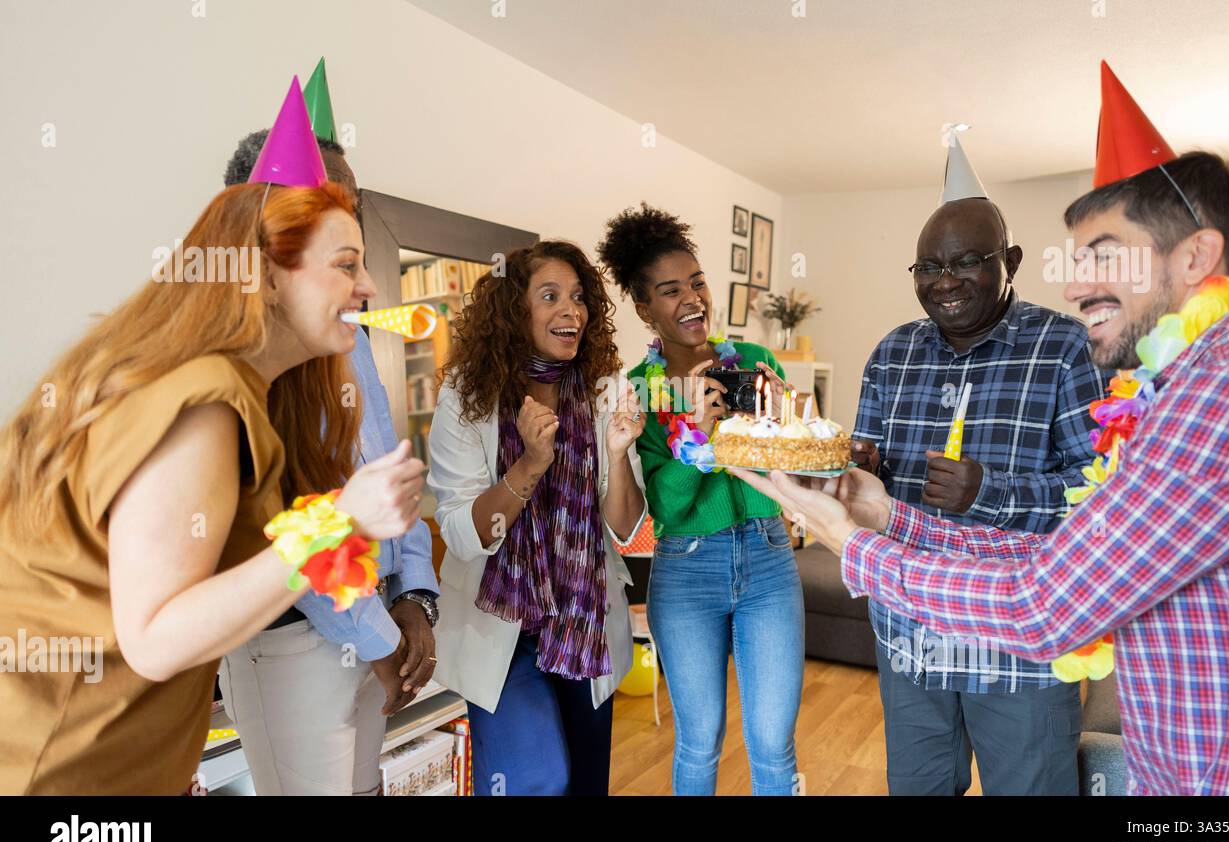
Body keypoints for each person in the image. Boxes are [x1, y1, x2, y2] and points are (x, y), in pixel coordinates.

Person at [734, 64, 1229, 796]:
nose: (1074, 285)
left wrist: (855, 541)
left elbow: (1045, 600)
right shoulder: (1199, 384)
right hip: (954, 664)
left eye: (1102, 255)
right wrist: (882, 508)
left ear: (1195, 256)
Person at [0, 114, 424, 793]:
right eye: (346, 265)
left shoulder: (238, 390)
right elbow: (156, 636)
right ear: (264, 273)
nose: (369, 287)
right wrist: (341, 520)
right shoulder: (204, 398)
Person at [849, 132, 1103, 795]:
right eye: (928, 266)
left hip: (1019, 642)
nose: (945, 280)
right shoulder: (892, 353)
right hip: (910, 632)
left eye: (967, 260)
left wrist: (990, 492)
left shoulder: (1065, 347)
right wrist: (851, 471)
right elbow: (862, 478)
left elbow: (1099, 492)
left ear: (1011, 259)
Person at [215, 100, 440, 796]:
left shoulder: (356, 341)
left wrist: (414, 597)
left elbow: (382, 469)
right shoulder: (233, 369)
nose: (366, 284)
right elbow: (292, 516)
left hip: (369, 614)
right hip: (293, 639)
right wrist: (374, 635)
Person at [597, 203, 804, 796]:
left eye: (697, 282)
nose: (692, 298)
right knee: (699, 738)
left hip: (768, 559)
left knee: (773, 742)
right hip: (687, 569)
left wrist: (784, 423)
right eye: (669, 290)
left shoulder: (756, 363)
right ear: (644, 308)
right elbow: (665, 507)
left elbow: (783, 467)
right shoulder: (638, 389)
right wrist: (696, 434)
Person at [426, 240, 645, 796]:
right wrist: (530, 463)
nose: (570, 310)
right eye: (549, 296)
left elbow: (626, 528)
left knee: (586, 783)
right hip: (501, 629)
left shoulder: (605, 391)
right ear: (514, 311)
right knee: (535, 781)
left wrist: (617, 455)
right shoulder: (465, 397)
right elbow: (461, 534)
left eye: (578, 297)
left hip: (583, 622)